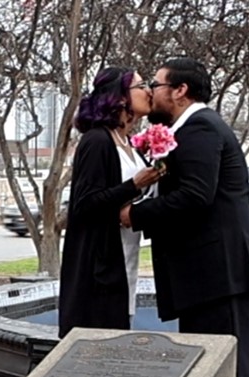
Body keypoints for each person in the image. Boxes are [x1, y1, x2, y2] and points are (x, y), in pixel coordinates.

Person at [123, 57, 249, 377]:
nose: (152, 91)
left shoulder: (201, 128)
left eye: (157, 84)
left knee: (230, 370)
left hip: (223, 273)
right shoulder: (187, 129)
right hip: (208, 275)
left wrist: (136, 214)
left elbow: (195, 196)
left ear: (180, 90)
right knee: (211, 368)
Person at [58, 67, 162, 338]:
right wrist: (134, 185)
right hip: (98, 268)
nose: (148, 92)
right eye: (141, 86)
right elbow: (85, 204)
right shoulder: (97, 141)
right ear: (120, 97)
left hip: (124, 259)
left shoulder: (128, 143)